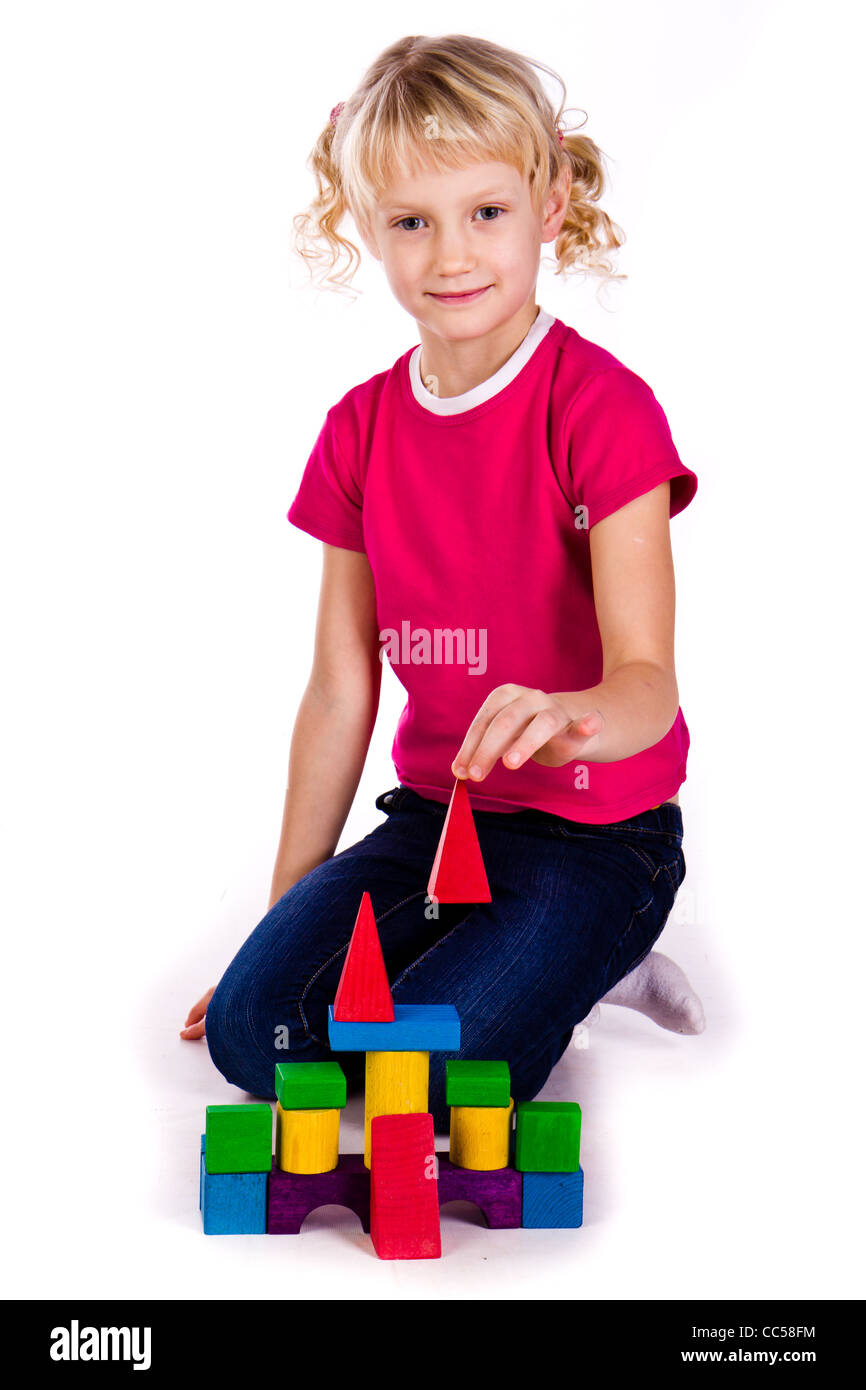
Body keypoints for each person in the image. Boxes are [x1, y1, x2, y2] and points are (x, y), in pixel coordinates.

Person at [181, 34, 704, 1132]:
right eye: (410, 221)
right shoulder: (359, 429)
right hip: (435, 820)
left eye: (484, 213)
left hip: (597, 832)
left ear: (548, 204)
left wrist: (568, 715)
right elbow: (338, 689)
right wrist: (283, 922)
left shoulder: (602, 411)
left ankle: (600, 949)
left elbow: (646, 682)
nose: (450, 254)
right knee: (254, 1035)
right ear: (362, 226)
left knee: (420, 1062)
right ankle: (541, 962)